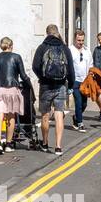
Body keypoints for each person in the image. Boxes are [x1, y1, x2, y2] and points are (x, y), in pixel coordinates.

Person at [32, 24, 71, 156]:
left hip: (45, 85)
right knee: (59, 114)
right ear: (57, 33)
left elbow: (35, 66)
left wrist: (42, 76)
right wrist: (69, 85)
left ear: (47, 33)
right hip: (61, 85)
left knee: (45, 115)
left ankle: (45, 143)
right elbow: (70, 69)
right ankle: (58, 146)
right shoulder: (64, 48)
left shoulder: (42, 47)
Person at [0, 37, 32, 155]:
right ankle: (8, 143)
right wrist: (29, 84)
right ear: (11, 45)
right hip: (12, 88)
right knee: (11, 115)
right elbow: (23, 75)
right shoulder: (16, 57)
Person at [68, 29, 91, 133]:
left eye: (82, 40)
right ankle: (80, 124)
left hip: (85, 81)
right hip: (75, 81)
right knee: (78, 101)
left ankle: (76, 117)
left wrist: (91, 74)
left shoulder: (87, 51)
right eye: (78, 40)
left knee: (84, 104)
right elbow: (68, 66)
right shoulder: (70, 50)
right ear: (74, 39)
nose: (81, 43)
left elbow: (91, 64)